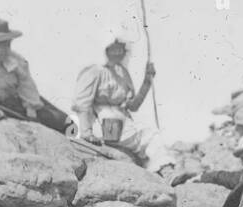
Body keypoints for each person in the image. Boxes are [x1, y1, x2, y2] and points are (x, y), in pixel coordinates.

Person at [71, 33, 173, 173]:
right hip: (102, 123)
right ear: (106, 50)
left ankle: (165, 171)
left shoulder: (122, 73)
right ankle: (166, 170)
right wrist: (86, 133)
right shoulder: (95, 71)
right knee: (150, 136)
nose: (118, 53)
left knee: (149, 136)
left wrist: (147, 81)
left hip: (122, 122)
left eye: (121, 50)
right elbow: (82, 103)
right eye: (113, 49)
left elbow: (133, 105)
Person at [0, 20, 69, 133]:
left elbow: (27, 86)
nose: (3, 50)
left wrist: (31, 110)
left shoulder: (15, 60)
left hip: (24, 101)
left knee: (66, 121)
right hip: (1, 107)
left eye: (6, 45)